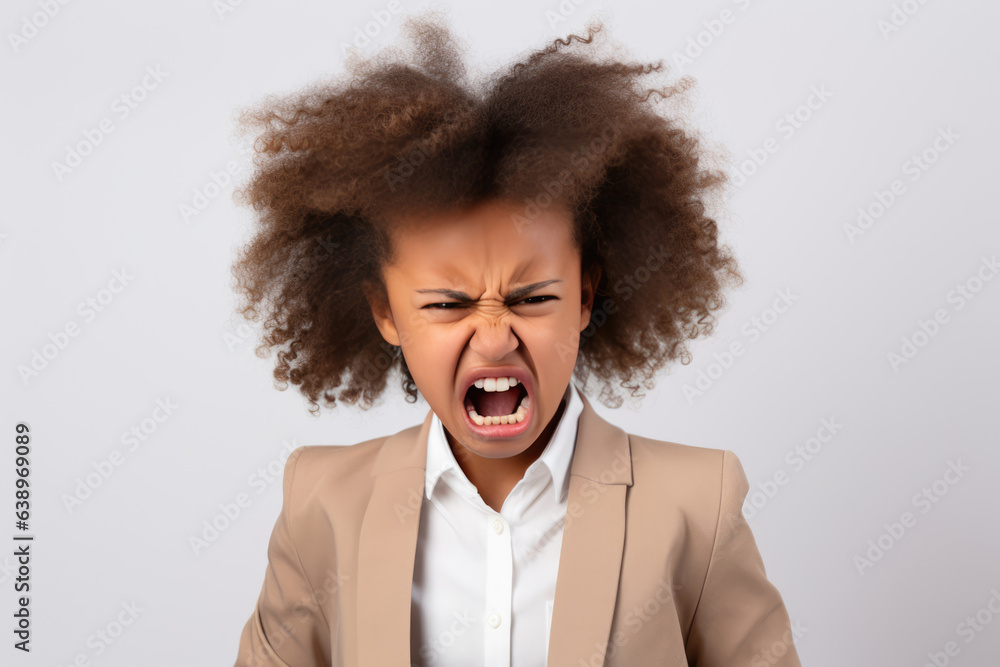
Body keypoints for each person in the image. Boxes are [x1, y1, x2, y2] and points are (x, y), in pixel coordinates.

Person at [231, 12, 801, 666]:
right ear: (385, 312)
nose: (496, 337)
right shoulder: (322, 503)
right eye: (448, 304)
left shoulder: (698, 502)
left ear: (585, 295)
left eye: (532, 298)